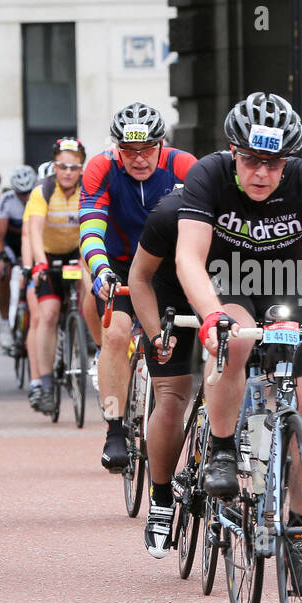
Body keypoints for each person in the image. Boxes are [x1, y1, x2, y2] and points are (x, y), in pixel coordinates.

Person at [176, 92, 302, 588]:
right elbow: (188, 256)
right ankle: (223, 449)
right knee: (237, 341)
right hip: (228, 281)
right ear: (232, 152)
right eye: (250, 160)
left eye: (272, 163)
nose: (261, 174)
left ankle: (300, 530)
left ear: (288, 160)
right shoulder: (206, 176)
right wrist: (209, 316)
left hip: (292, 287)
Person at [82, 102, 196, 471]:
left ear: (162, 144)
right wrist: (99, 270)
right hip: (118, 263)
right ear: (116, 148)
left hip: (168, 265)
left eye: (147, 149)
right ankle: (114, 428)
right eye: (128, 151)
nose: (139, 158)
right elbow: (90, 226)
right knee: (115, 333)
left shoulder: (183, 166)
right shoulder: (101, 167)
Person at [127, 185, 199, 558]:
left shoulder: (256, 214)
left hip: (231, 289)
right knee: (171, 397)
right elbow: (138, 278)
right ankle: (160, 498)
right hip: (171, 294)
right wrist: (156, 334)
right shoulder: (168, 214)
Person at [22, 138, 85, 414]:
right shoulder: (42, 191)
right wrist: (38, 264)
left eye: (74, 167)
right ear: (55, 167)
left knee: (91, 299)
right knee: (47, 314)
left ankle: (85, 349)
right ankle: (45, 383)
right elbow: (34, 231)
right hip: (49, 256)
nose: (68, 172)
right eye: (62, 166)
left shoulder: (88, 190)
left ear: (81, 168)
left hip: (76, 254)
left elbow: (92, 227)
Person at [0, 165, 37, 339]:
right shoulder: (6, 200)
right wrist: (2, 256)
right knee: (2, 272)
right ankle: (4, 323)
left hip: (32, 241)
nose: (25, 196)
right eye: (21, 193)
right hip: (11, 243)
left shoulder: (40, 196)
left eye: (28, 192)